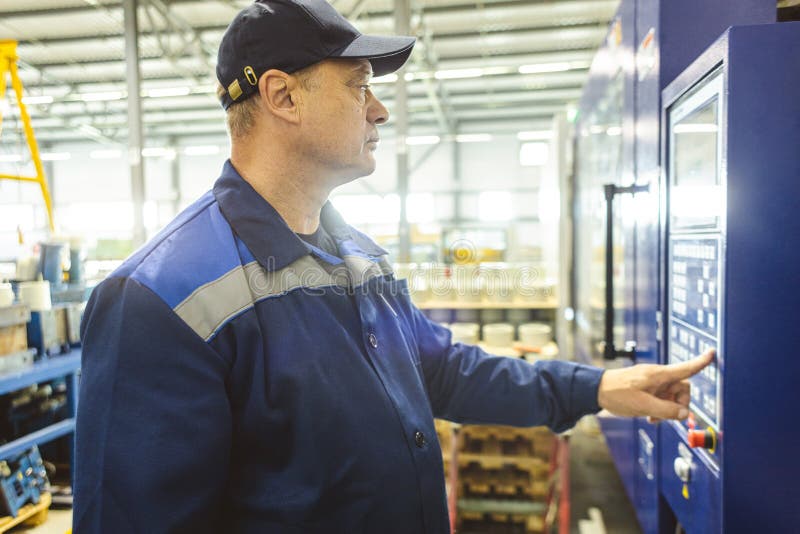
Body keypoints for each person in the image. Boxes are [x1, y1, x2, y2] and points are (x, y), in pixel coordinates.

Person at [73, 1, 713, 532]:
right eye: (358, 86)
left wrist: (597, 390)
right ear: (281, 95)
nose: (378, 109)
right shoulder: (158, 299)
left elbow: (442, 370)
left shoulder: (358, 255)